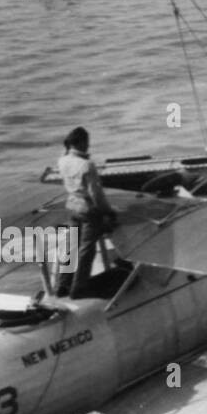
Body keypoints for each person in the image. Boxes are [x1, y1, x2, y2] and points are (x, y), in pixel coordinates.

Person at [55, 127, 118, 299]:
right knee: (86, 249)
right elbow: (96, 194)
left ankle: (63, 285)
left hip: (72, 206)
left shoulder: (62, 160)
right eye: (87, 142)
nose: (89, 145)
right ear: (82, 142)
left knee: (71, 246)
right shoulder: (87, 165)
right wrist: (108, 212)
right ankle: (79, 288)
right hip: (88, 210)